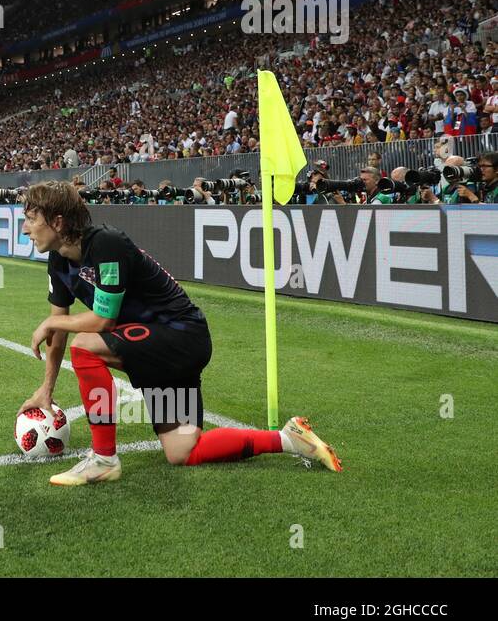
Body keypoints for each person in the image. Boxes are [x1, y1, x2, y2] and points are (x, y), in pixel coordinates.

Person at [17, 181, 342, 486]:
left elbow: (102, 320)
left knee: (86, 346)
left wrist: (52, 324)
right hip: (153, 347)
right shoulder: (58, 263)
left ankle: (103, 460)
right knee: (183, 451)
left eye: (31, 219)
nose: (26, 228)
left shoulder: (105, 243)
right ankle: (291, 439)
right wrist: (46, 388)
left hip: (180, 335)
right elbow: (57, 332)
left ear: (58, 222)